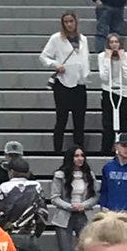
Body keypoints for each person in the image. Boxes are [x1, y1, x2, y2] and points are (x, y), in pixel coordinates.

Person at [41, 11, 90, 158]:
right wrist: (55, 65)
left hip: (79, 83)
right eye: (66, 22)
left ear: (76, 22)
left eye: (71, 21)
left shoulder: (83, 39)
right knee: (61, 119)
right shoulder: (56, 38)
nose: (69, 24)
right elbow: (43, 56)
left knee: (79, 120)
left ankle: (79, 153)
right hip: (63, 83)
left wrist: (86, 75)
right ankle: (57, 150)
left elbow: (84, 58)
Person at [48, 148, 97, 251]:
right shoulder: (59, 175)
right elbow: (54, 198)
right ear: (71, 158)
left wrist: (84, 205)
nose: (80, 158)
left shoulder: (89, 175)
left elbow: (95, 196)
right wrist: (70, 206)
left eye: (82, 155)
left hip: (84, 215)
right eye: (76, 156)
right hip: (64, 217)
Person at [96, 32, 127, 156]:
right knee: (107, 123)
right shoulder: (102, 56)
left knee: (123, 123)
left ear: (120, 43)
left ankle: (123, 151)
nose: (114, 45)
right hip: (108, 90)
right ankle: (105, 151)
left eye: (116, 42)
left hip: (124, 92)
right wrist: (107, 59)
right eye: (111, 42)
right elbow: (103, 77)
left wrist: (123, 59)